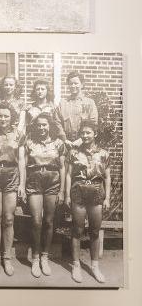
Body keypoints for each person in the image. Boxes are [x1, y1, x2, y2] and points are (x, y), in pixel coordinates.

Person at [64, 122, 110, 283]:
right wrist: (67, 195)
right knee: (77, 229)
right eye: (83, 133)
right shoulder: (73, 152)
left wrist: (108, 198)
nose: (85, 136)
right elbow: (69, 175)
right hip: (79, 191)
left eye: (88, 133)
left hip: (97, 192)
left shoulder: (103, 153)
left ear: (95, 134)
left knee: (95, 231)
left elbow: (107, 177)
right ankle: (76, 265)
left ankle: (95, 266)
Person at [0, 101, 26, 276]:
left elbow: (22, 160)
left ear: (12, 118)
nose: (3, 119)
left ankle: (6, 258)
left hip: (11, 175)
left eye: (6, 116)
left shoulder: (19, 135)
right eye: (0, 116)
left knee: (8, 218)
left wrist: (22, 184)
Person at [25, 112, 65, 278]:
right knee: (36, 221)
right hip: (34, 181)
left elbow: (63, 167)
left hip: (52, 182)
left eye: (45, 125)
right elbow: (23, 164)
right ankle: (35, 258)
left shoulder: (59, 143)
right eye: (39, 125)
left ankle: (44, 257)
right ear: (35, 126)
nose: (41, 128)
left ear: (50, 126)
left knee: (48, 221)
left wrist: (62, 190)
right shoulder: (29, 143)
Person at [55, 70, 98, 142]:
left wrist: (81, 140)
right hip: (66, 143)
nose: (73, 86)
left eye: (76, 83)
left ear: (82, 85)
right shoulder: (62, 103)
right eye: (70, 84)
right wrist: (64, 139)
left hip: (84, 142)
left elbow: (93, 123)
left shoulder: (89, 103)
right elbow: (57, 122)